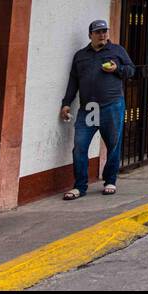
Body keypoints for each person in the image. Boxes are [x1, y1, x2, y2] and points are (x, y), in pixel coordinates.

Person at [60, 19, 134, 199]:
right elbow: (73, 81)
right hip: (89, 108)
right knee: (80, 146)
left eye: (105, 32)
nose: (103, 35)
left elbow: (131, 70)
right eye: (98, 32)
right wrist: (66, 103)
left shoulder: (117, 51)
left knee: (113, 145)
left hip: (112, 105)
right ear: (90, 35)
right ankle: (80, 186)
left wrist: (117, 69)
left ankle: (110, 180)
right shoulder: (80, 55)